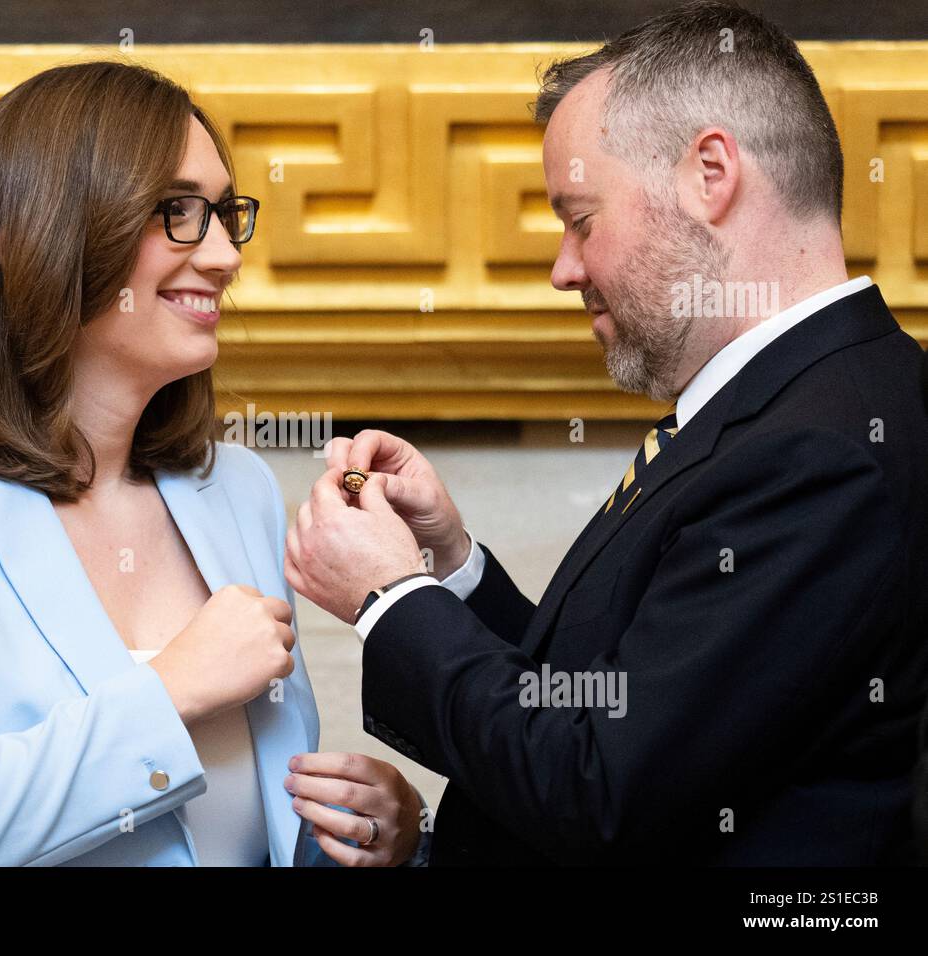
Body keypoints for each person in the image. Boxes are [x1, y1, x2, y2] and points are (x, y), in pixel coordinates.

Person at [284, 1, 928, 865]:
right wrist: (451, 565)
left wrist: (389, 599)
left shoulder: (820, 452)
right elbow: (626, 695)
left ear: (711, 173)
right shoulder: (799, 398)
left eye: (581, 218)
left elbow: (596, 787)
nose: (563, 268)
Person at [0, 60, 426, 867]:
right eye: (179, 212)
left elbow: (237, 824)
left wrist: (375, 827)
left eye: (227, 215)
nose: (227, 256)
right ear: (41, 236)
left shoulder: (237, 489)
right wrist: (171, 690)